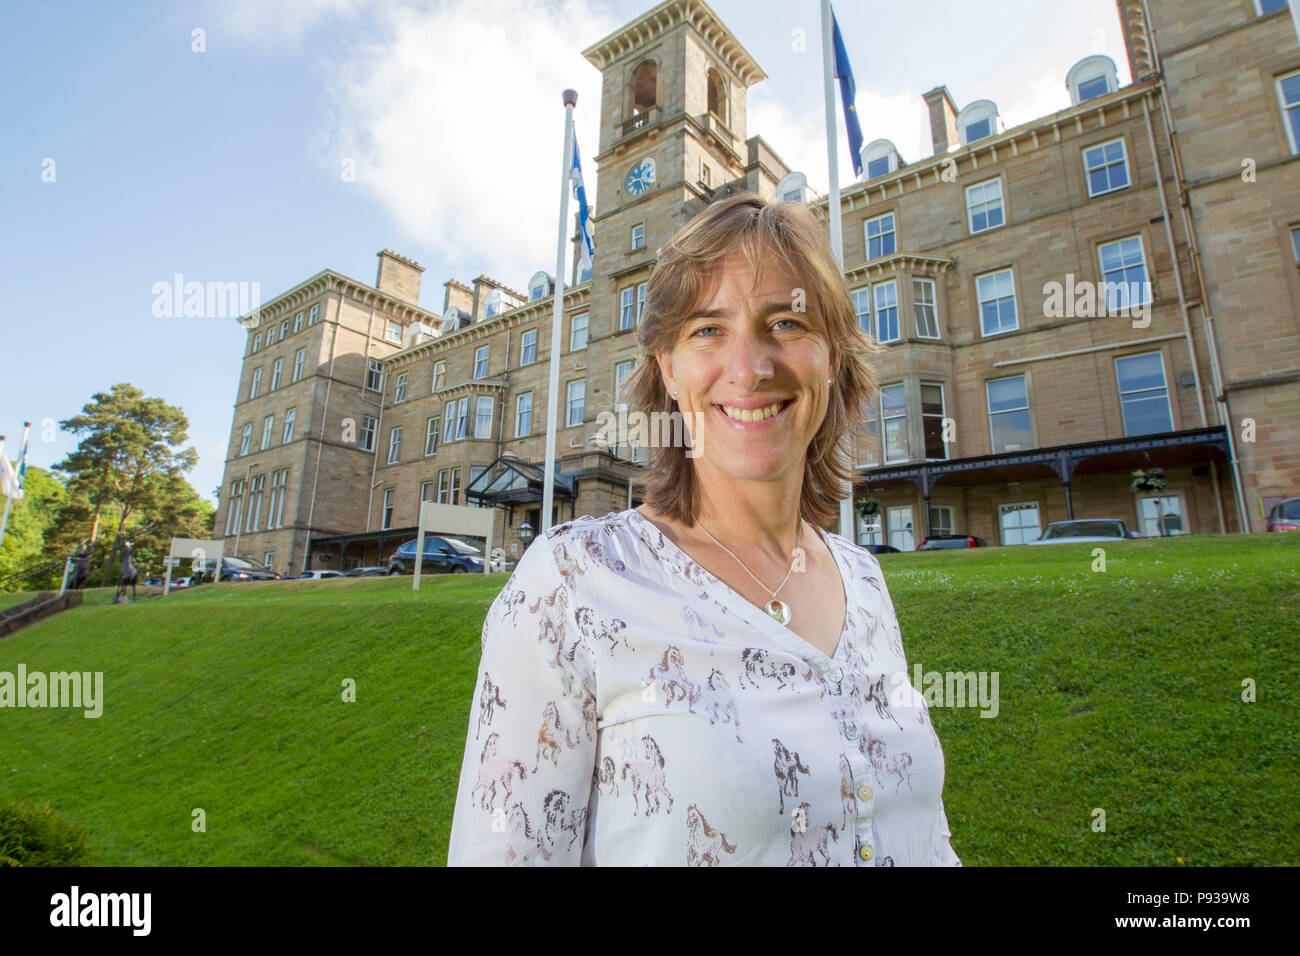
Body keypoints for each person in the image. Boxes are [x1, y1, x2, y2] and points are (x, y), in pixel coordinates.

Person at [446, 192, 960, 866]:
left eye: (786, 322)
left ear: (831, 357)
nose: (749, 369)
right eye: (708, 330)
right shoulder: (573, 584)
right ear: (668, 365)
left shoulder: (862, 579)